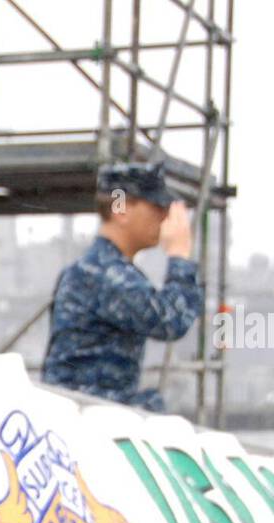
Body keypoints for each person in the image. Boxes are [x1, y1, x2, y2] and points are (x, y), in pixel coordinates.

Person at [41, 161, 204, 412]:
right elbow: (170, 320)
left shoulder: (103, 269)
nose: (164, 218)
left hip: (86, 415)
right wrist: (179, 255)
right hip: (84, 422)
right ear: (121, 209)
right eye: (157, 207)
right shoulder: (102, 274)